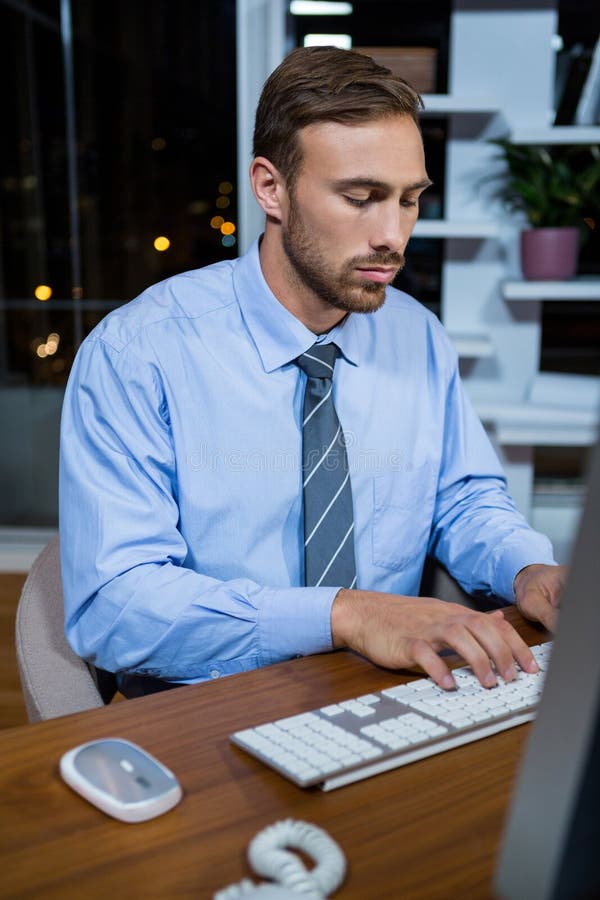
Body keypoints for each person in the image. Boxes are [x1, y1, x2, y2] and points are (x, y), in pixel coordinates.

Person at [59, 46, 564, 699]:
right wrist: (347, 614)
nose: (394, 235)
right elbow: (116, 607)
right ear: (270, 187)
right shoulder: (138, 355)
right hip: (206, 710)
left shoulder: (416, 334)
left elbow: (461, 497)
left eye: (410, 200)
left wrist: (526, 567)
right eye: (361, 198)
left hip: (387, 694)